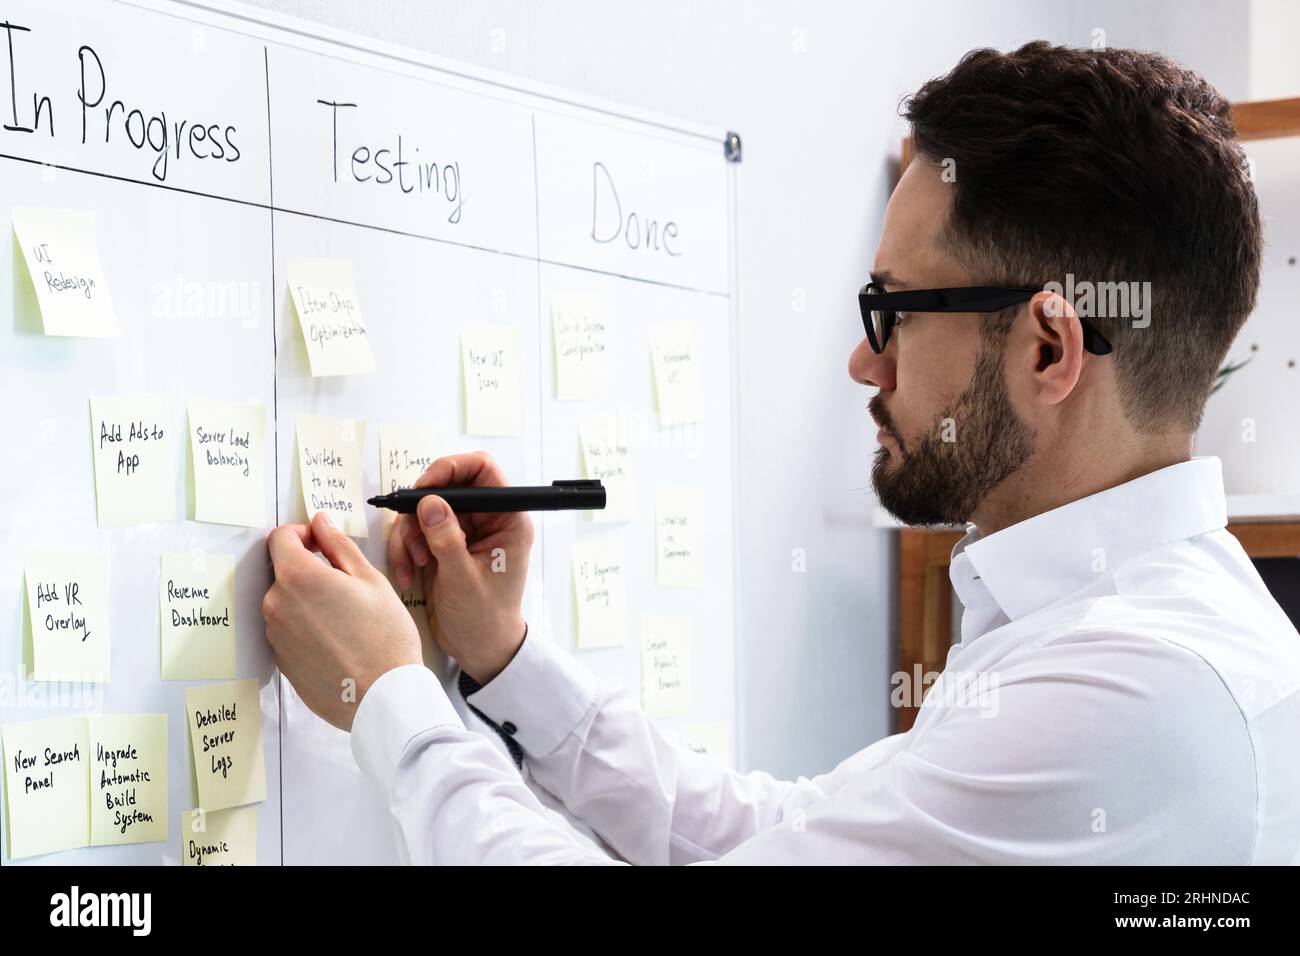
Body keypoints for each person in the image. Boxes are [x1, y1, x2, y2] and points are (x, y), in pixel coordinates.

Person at [262, 42, 1300, 864]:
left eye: (891, 310)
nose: (862, 360)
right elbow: (783, 834)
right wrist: (506, 661)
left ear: (1046, 346)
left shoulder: (1134, 695)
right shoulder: (1127, 628)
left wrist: (388, 694)